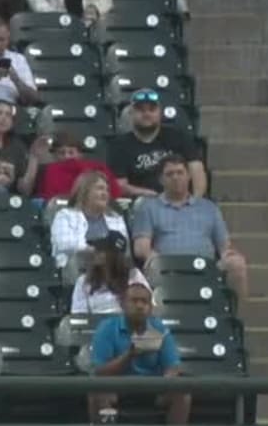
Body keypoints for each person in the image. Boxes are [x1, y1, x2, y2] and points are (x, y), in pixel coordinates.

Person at [130, 155, 249, 300]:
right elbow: (141, 248)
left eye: (180, 173)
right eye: (170, 174)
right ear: (161, 180)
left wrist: (229, 256)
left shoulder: (208, 208)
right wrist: (153, 257)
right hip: (167, 267)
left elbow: (224, 246)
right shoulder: (148, 207)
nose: (175, 177)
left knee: (236, 264)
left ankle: (234, 319)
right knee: (152, 265)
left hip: (206, 267)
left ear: (189, 176)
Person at [87, 283, 189, 425]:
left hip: (152, 388)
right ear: (122, 304)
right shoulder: (107, 328)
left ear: (151, 308)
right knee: (97, 390)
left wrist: (169, 377)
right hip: (117, 389)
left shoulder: (159, 329)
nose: (140, 306)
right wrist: (130, 355)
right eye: (134, 301)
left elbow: (172, 367)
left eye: (144, 302)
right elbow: (100, 372)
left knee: (181, 391)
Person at [106, 88, 207, 198]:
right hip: (142, 204)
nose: (147, 113)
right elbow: (120, 185)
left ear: (160, 112)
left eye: (152, 109)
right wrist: (150, 195)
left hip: (180, 203)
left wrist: (196, 202)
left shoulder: (178, 137)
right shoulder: (119, 145)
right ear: (131, 113)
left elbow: (196, 170)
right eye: (141, 110)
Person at [51, 170, 129, 269]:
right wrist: (95, 250)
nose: (105, 193)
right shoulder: (65, 215)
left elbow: (121, 245)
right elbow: (64, 244)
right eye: (100, 188)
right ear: (85, 191)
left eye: (107, 190)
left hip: (110, 267)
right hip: (78, 267)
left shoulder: (115, 219)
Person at [70, 231, 147, 315]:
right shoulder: (83, 281)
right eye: (96, 248)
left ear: (114, 255)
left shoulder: (134, 276)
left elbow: (146, 308)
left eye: (101, 250)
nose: (96, 252)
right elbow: (79, 317)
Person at [34, 130, 121, 200]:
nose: (67, 156)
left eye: (71, 152)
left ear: (80, 154)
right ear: (54, 156)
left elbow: (113, 195)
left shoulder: (98, 168)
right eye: (61, 153)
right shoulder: (50, 171)